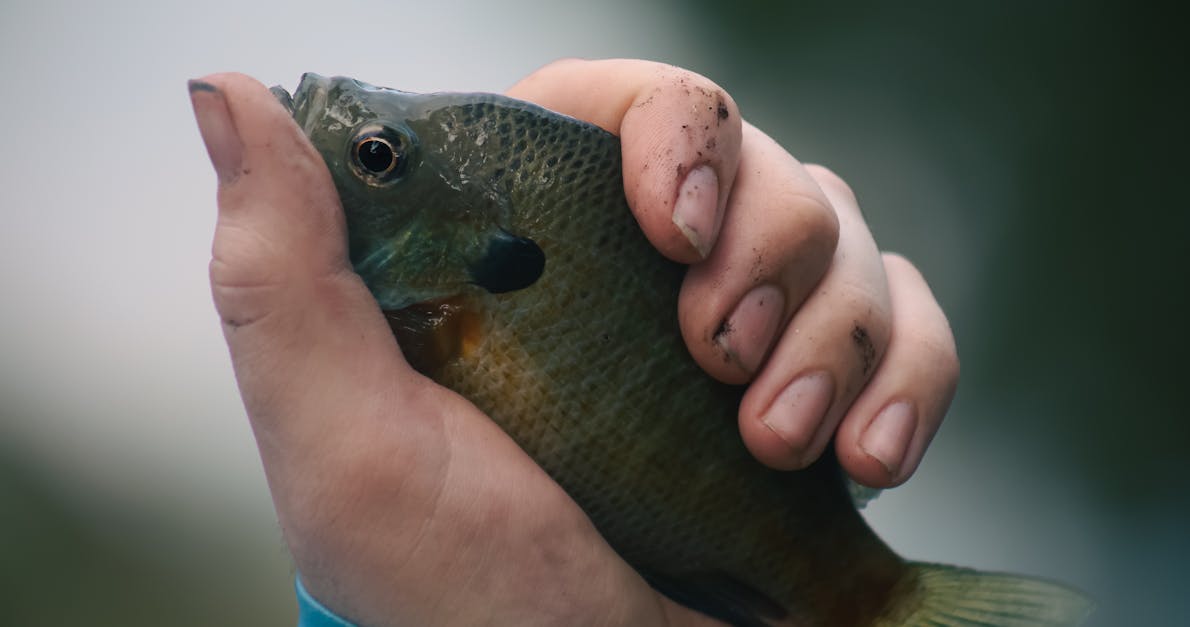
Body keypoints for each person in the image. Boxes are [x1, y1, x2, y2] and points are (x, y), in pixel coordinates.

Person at [189, 58, 959, 626]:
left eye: (378, 159)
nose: (360, 159)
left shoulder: (439, 317)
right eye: (377, 155)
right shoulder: (408, 345)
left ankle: (874, 592)